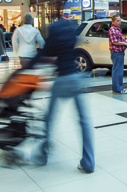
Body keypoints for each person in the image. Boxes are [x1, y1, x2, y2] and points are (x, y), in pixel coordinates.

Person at [26, 15, 95, 173]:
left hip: (61, 80)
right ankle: (88, 162)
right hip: (76, 78)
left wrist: (27, 67)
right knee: (84, 121)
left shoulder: (54, 33)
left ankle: (41, 155)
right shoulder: (71, 31)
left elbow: (43, 54)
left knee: (49, 119)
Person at [107, 15, 127, 94]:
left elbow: (120, 39)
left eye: (120, 20)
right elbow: (114, 41)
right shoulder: (112, 30)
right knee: (117, 71)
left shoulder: (117, 29)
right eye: (117, 21)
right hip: (116, 53)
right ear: (113, 21)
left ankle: (118, 88)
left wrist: (126, 42)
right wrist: (124, 43)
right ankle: (117, 89)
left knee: (119, 71)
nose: (119, 22)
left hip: (120, 52)